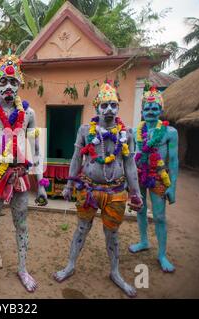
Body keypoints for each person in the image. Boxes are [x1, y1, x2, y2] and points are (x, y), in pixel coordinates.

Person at [0, 53, 48, 294]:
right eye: (3, 81)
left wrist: (41, 182)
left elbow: (35, 147)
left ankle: (22, 269)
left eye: (13, 82)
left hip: (19, 175)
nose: (9, 87)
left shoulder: (29, 114)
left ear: (19, 85)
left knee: (21, 225)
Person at [54, 81, 143, 298]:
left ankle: (115, 272)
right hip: (89, 189)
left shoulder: (127, 133)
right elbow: (77, 158)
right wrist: (69, 184)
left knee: (112, 234)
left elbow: (130, 165)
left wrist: (136, 192)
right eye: (105, 105)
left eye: (113, 105)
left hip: (116, 192)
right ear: (97, 108)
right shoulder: (85, 130)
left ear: (118, 108)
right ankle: (70, 265)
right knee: (82, 229)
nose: (109, 109)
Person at [129, 86, 179, 273]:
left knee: (159, 217)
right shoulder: (135, 131)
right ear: (142, 111)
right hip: (139, 175)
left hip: (159, 177)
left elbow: (173, 161)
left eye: (154, 108)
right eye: (147, 109)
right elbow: (131, 156)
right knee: (140, 210)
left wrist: (172, 187)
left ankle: (162, 255)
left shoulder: (170, 132)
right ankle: (143, 241)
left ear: (160, 110)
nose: (150, 112)